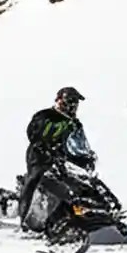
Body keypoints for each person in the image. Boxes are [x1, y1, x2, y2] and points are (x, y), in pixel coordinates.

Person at [17, 86, 85, 229]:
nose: (73, 106)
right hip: (39, 155)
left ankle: (75, 217)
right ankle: (23, 218)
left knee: (76, 184)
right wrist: (42, 144)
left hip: (62, 159)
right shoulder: (45, 115)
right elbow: (33, 131)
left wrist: (86, 156)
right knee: (35, 178)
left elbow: (79, 142)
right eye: (70, 101)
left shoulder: (75, 124)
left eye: (75, 103)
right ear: (61, 101)